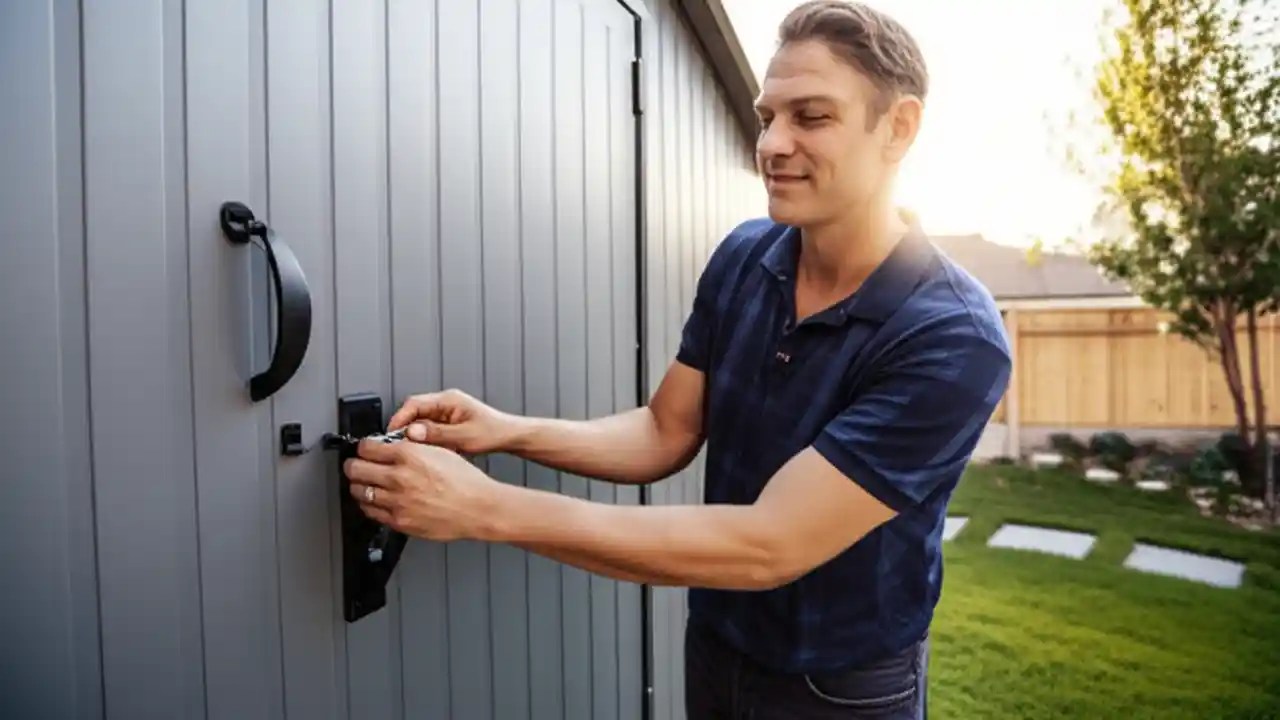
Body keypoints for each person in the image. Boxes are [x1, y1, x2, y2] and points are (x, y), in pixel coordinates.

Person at [344, 1, 1011, 717]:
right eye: (767, 117)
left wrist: (485, 508)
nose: (774, 144)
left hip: (842, 688)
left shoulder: (950, 338)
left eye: (811, 117)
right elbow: (665, 430)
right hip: (718, 642)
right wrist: (506, 431)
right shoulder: (746, 256)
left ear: (898, 128)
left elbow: (768, 545)